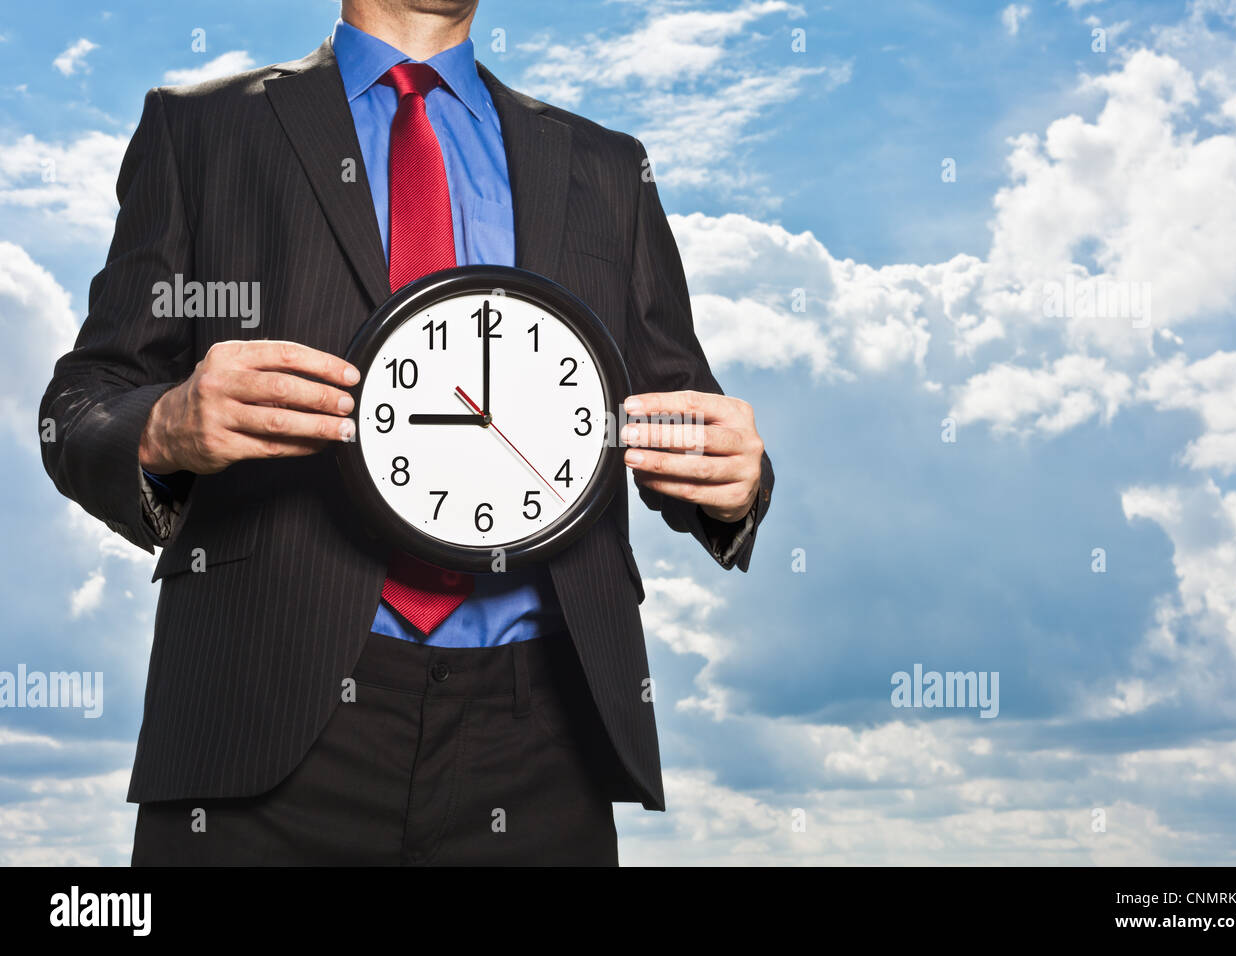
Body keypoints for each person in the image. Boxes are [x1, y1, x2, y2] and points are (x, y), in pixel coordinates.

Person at [39, 0, 773, 865]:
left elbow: (680, 410)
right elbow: (80, 401)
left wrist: (737, 482)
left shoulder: (607, 166)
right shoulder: (200, 130)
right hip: (261, 707)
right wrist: (163, 426)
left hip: (540, 728)